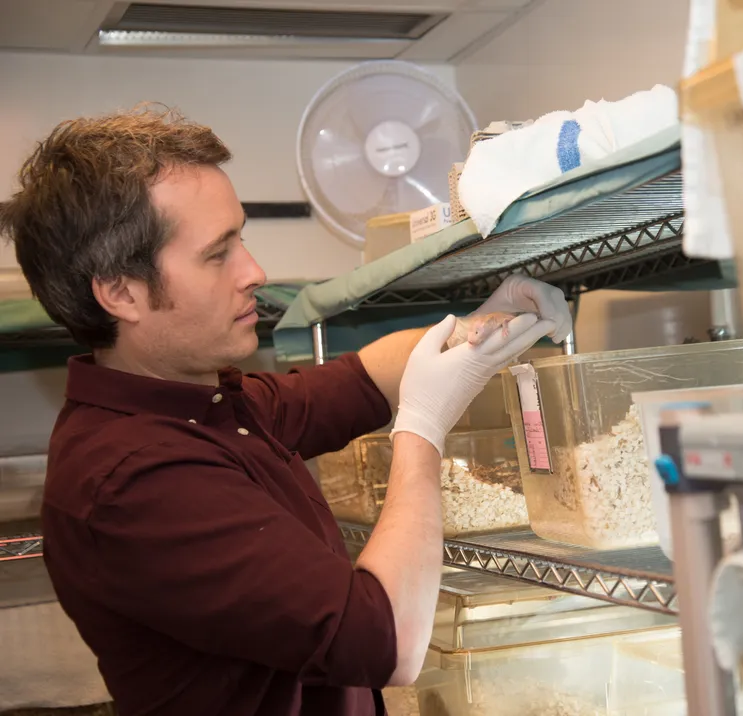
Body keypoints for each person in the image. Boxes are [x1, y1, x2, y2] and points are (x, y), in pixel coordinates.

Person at [0, 105, 572, 716]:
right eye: (218, 254)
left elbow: (362, 379)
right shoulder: (134, 480)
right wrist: (423, 429)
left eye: (240, 237)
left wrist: (478, 326)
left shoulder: (206, 403)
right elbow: (389, 642)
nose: (254, 272)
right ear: (120, 293)